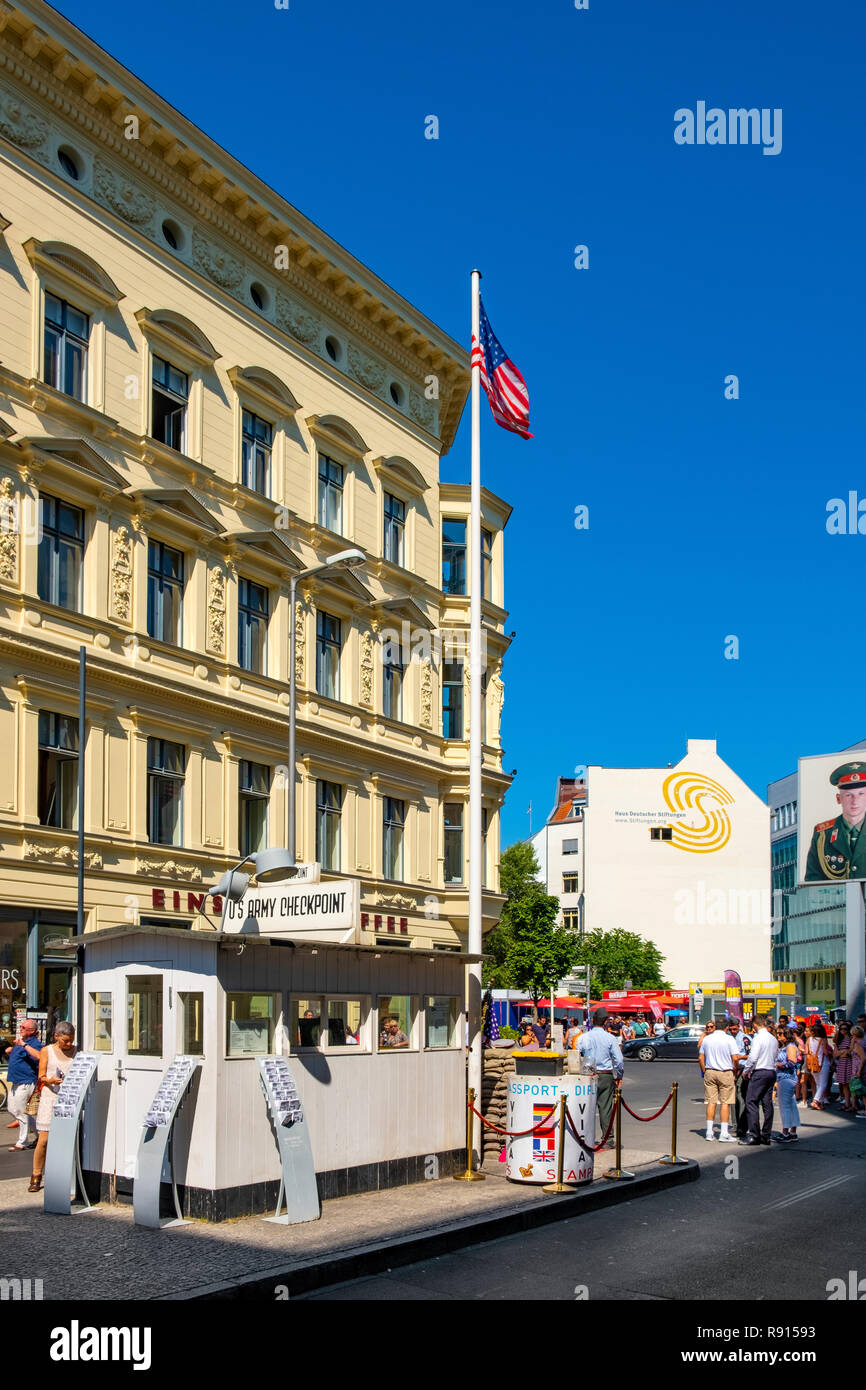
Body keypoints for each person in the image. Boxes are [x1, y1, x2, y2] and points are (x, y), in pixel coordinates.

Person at [29, 1021, 76, 1194]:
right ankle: (36, 1175)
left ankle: (62, 1176)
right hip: (51, 1097)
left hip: (69, 1098)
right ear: (56, 1036)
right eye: (66, 1041)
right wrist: (50, 1080)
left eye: (71, 1040)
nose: (69, 1044)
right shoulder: (46, 1050)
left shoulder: (76, 1051)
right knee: (44, 1139)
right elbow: (41, 1075)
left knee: (66, 1139)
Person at [804, 762, 866, 880]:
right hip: (837, 897)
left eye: (861, 794)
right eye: (848, 795)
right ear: (839, 799)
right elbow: (813, 880)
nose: (855, 801)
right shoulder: (823, 834)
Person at [578, 1008, 624, 1149]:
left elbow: (577, 1055)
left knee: (584, 1108)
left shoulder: (583, 1037)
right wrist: (619, 1075)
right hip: (605, 1074)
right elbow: (619, 1060)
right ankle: (608, 1139)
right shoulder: (610, 1038)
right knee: (605, 1108)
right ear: (605, 1022)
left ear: (592, 1021)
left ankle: (583, 1137)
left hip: (587, 1075)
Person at [739, 1015, 778, 1146]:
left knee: (751, 1101)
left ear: (755, 1025)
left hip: (760, 1071)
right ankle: (766, 1135)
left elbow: (753, 1057)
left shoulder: (758, 1038)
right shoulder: (773, 1038)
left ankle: (754, 1135)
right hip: (771, 1071)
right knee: (767, 1103)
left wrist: (746, 1071)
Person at [4, 1018, 43, 1151]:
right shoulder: (23, 1042)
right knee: (12, 1109)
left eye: (23, 1028)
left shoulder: (33, 1043)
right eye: (20, 1027)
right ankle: (40, 1133)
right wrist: (11, 1051)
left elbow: (39, 1056)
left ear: (31, 1031)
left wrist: (24, 1046)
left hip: (26, 1082)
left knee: (21, 1112)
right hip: (16, 1082)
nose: (20, 1029)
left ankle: (22, 1141)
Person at [698, 1017, 739, 1142]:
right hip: (725, 1071)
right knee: (725, 1102)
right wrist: (734, 1071)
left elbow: (700, 1058)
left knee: (711, 1102)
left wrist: (705, 1071)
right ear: (727, 1027)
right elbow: (735, 1058)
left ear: (716, 1026)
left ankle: (709, 1132)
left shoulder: (707, 1039)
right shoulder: (729, 1039)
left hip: (710, 1071)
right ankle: (724, 1133)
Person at [774, 1026, 800, 1142]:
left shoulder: (790, 1046)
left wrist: (779, 1065)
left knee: (785, 1106)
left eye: (780, 1034)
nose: (778, 1036)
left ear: (786, 1035)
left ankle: (785, 1133)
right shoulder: (787, 1046)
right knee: (791, 1105)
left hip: (786, 1078)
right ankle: (793, 1131)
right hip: (786, 1078)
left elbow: (792, 1062)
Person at [807, 1022, 833, 1108]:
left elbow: (806, 1052)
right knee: (823, 1084)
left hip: (812, 1064)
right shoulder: (823, 1039)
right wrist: (831, 1052)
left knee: (818, 1084)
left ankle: (820, 1103)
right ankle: (815, 1100)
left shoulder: (809, 1039)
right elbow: (825, 1052)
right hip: (822, 1063)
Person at [833, 1021, 854, 1110]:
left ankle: (853, 1104)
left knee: (850, 1084)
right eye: (841, 1029)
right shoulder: (839, 1040)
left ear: (848, 1030)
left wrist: (841, 1053)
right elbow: (835, 1054)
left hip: (849, 1063)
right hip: (842, 1063)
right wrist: (843, 1052)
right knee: (844, 1084)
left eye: (845, 1029)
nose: (843, 1030)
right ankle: (847, 1103)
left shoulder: (851, 1039)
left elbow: (850, 1052)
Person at [850, 1027, 866, 1117]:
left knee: (863, 1090)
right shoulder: (863, 1042)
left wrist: (859, 1070)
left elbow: (863, 1057)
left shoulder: (858, 1044)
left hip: (860, 1068)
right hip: (861, 1068)